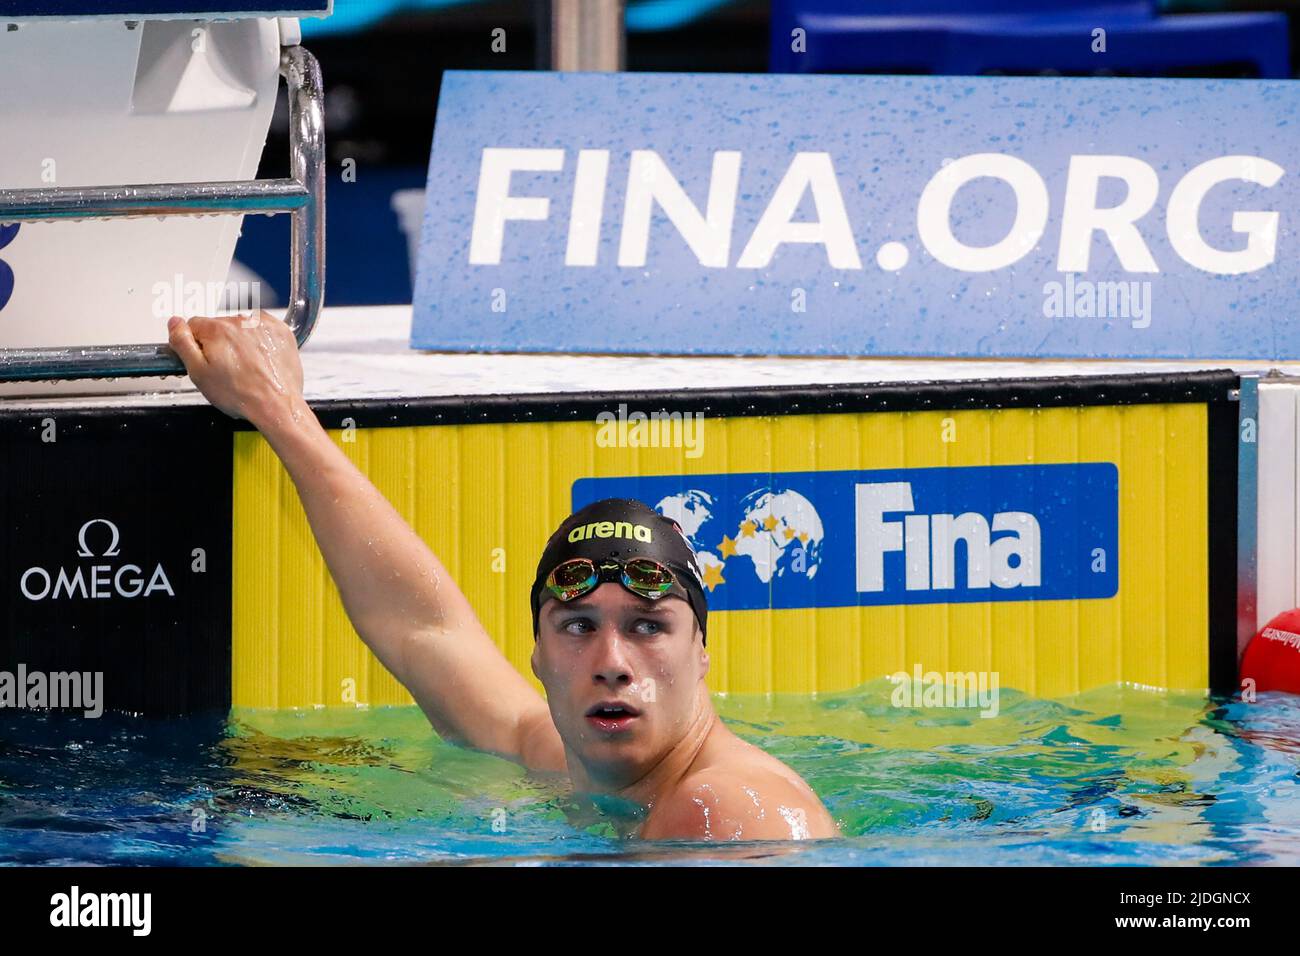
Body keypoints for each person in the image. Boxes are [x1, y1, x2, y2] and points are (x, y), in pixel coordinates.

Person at [166, 311, 839, 842]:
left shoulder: (729, 813)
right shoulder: (559, 754)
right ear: (538, 659)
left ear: (703, 657)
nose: (612, 663)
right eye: (579, 626)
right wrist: (279, 409)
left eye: (648, 626)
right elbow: (423, 629)